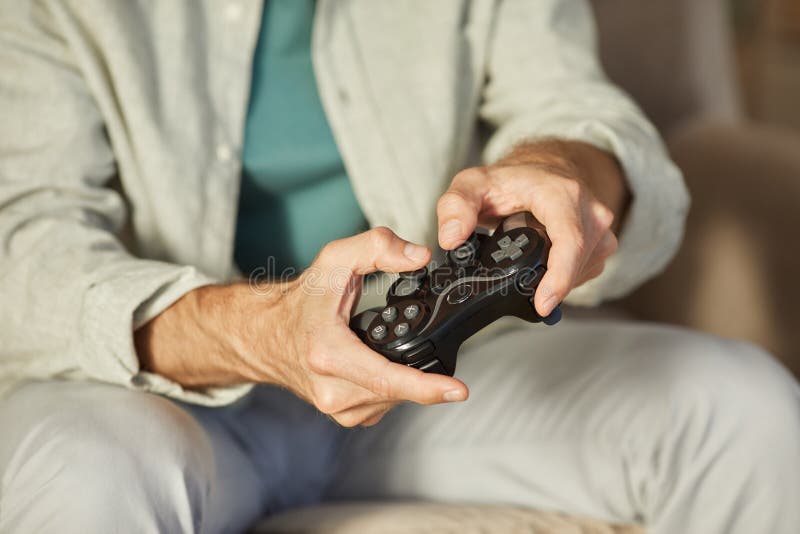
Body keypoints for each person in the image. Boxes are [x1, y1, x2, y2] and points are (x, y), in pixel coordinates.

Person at [0, 1, 797, 533]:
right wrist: (260, 333)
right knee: (83, 471)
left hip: (445, 377)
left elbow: (571, 103)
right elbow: (28, 243)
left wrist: (560, 171)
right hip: (160, 390)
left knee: (742, 409)